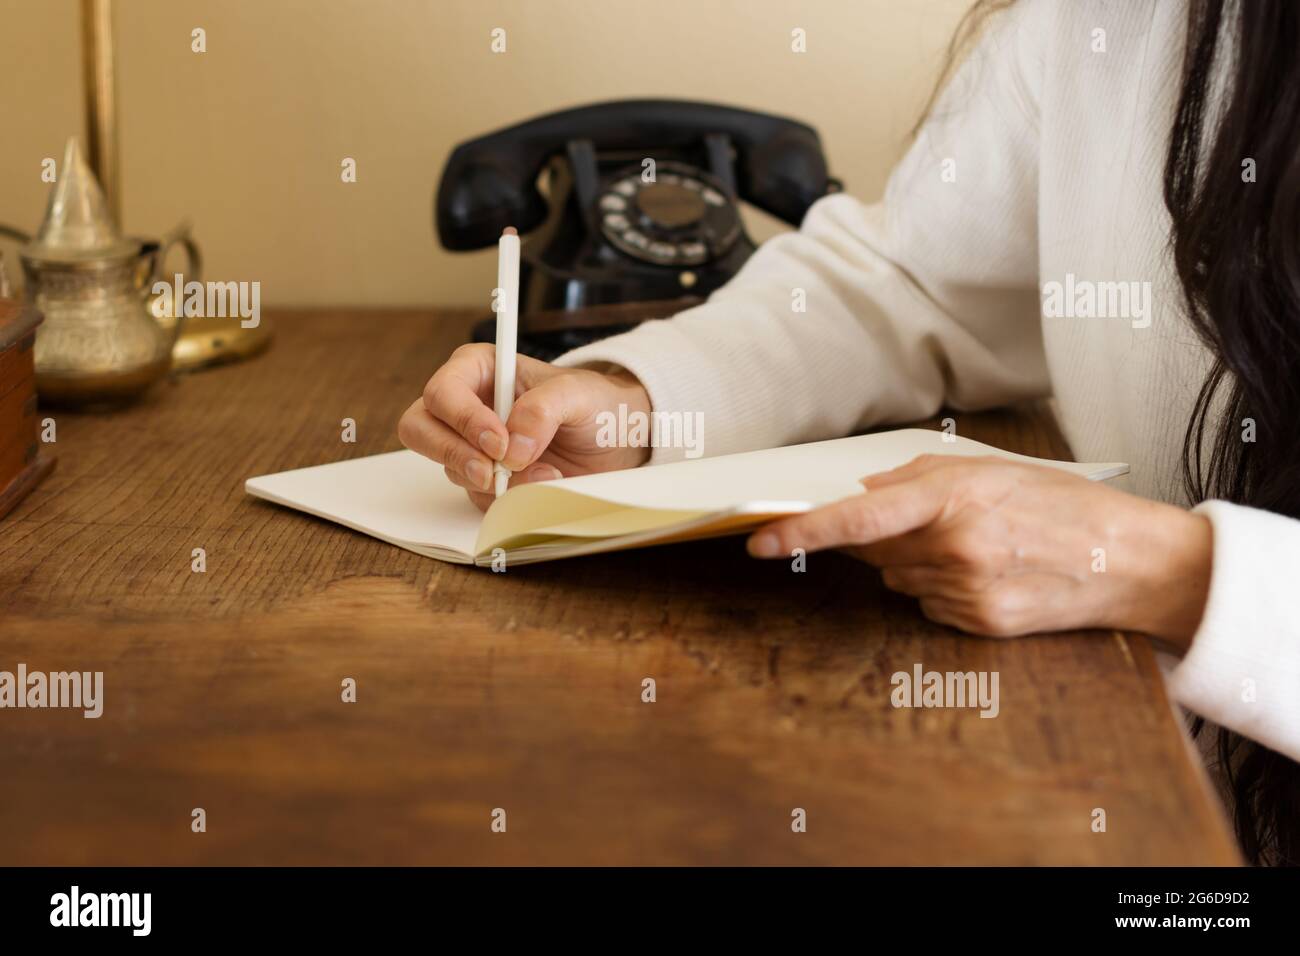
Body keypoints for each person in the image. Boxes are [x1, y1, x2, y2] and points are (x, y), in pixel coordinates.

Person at [399, 0, 1300, 865]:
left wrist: (1179, 575)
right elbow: (910, 280)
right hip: (1158, 793)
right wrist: (641, 399)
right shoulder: (1090, 21)